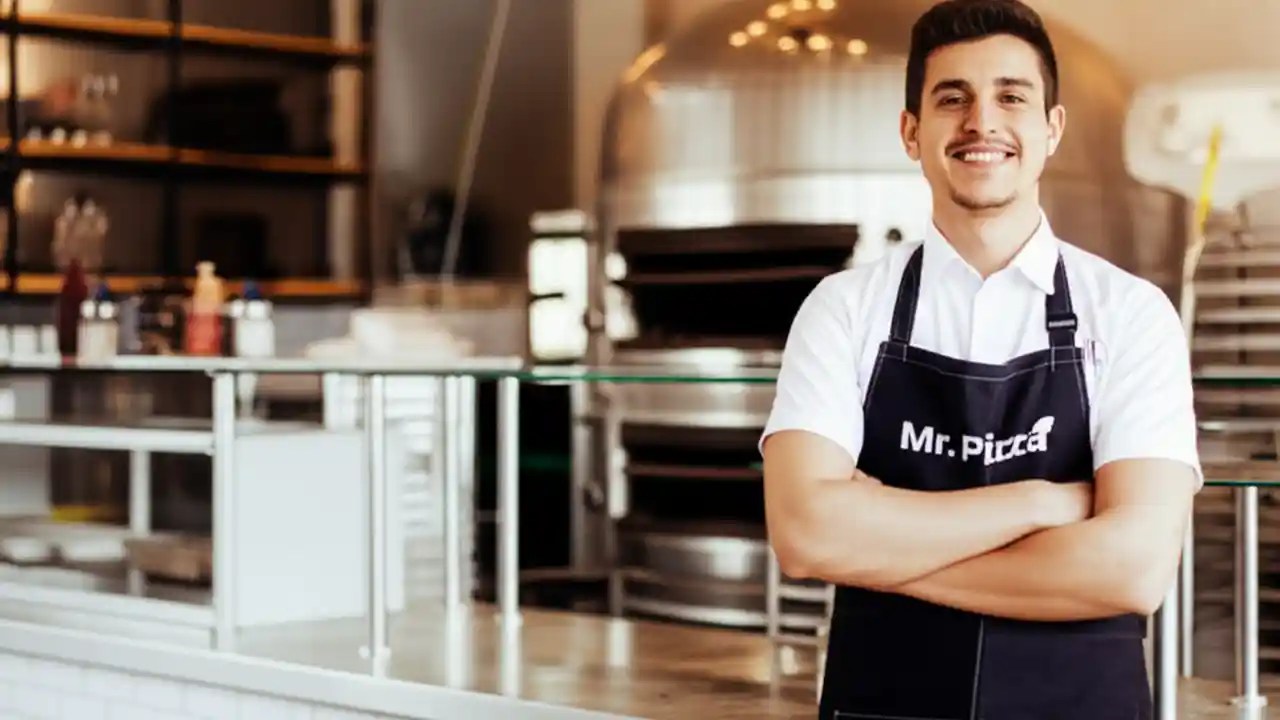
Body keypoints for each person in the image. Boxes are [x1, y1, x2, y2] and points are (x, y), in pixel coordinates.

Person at [759, 1, 1202, 718]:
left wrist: (880, 552)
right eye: (952, 99)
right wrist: (1041, 503)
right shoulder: (842, 309)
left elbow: (1132, 570)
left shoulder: (1131, 314)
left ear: (1052, 128)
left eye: (1011, 97)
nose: (981, 123)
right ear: (912, 132)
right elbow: (807, 536)